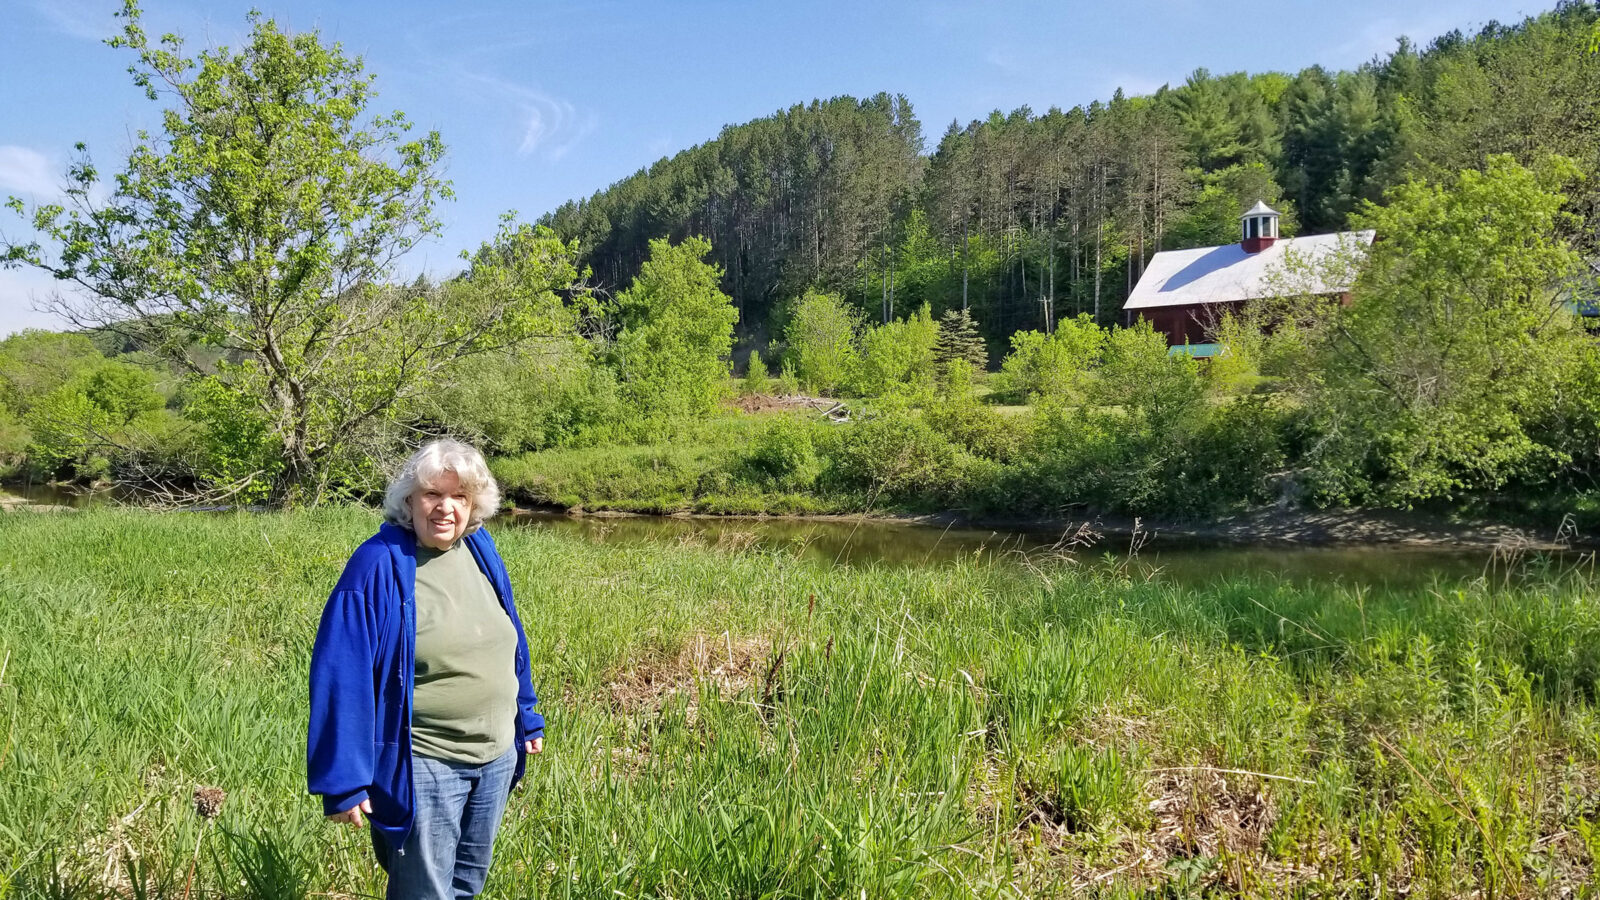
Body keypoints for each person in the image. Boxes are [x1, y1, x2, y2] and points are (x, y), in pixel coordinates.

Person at [307, 439, 544, 900]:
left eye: (460, 496)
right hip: (426, 761)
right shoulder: (377, 564)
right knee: (424, 893)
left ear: (474, 505)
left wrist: (527, 712)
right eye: (433, 494)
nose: (446, 508)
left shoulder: (479, 548)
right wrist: (343, 780)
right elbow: (342, 673)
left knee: (467, 885)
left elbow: (507, 637)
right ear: (409, 500)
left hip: (496, 755)